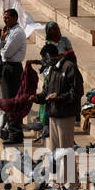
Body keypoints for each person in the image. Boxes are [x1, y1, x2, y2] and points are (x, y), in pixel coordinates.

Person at [35, 46, 84, 179]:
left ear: (50, 56)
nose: (44, 62)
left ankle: (70, 183)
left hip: (66, 115)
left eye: (44, 58)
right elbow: (46, 92)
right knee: (54, 151)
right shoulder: (52, 70)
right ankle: (56, 181)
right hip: (53, 114)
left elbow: (77, 92)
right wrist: (35, 98)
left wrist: (58, 98)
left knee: (66, 150)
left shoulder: (69, 68)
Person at [0, 8, 27, 104]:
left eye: (7, 18)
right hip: (7, 67)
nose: (5, 20)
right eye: (4, 18)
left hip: (13, 69)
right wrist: (2, 39)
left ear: (15, 18)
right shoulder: (8, 31)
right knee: (6, 98)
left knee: (12, 100)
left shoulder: (17, 32)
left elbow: (6, 54)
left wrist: (2, 51)